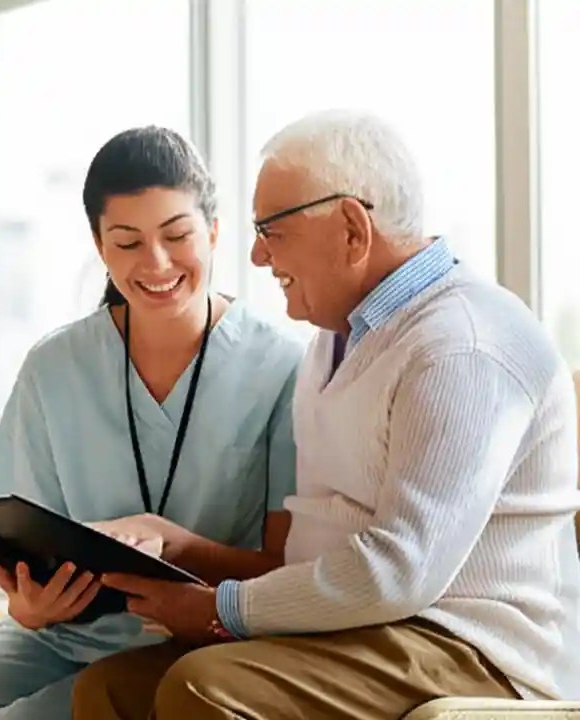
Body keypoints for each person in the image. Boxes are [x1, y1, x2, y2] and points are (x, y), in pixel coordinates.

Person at [71, 109, 580, 719]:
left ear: (350, 228)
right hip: (362, 629)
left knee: (204, 685)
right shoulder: (334, 342)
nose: (257, 256)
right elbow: (320, 553)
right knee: (109, 689)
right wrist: (185, 554)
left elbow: (402, 571)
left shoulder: (462, 344)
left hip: (472, 648)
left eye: (272, 229)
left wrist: (221, 609)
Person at [0, 125, 306, 720]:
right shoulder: (53, 367)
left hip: (189, 641)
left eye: (177, 234)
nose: (156, 262)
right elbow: (17, 537)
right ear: (100, 246)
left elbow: (283, 568)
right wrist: (27, 604)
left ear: (213, 233)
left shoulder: (282, 367)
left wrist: (177, 543)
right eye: (128, 242)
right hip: (54, 634)